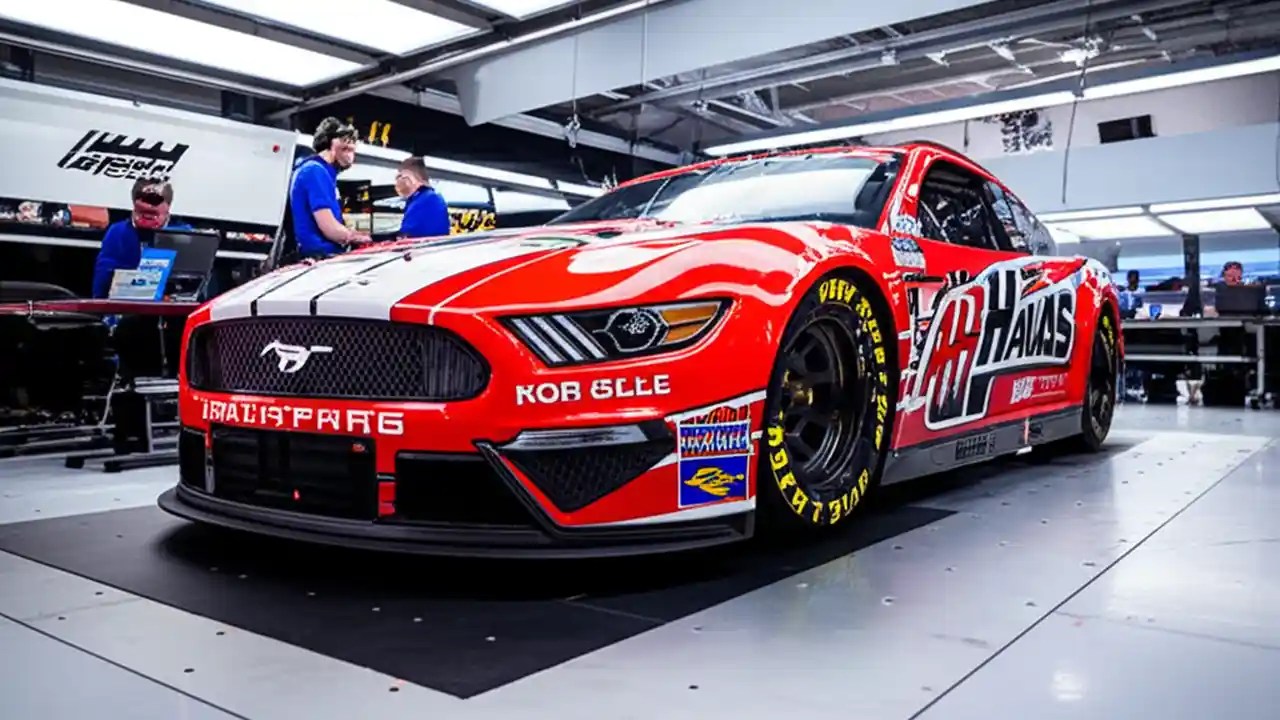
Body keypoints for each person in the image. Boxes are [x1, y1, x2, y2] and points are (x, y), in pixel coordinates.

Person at [91, 178, 193, 298]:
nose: (147, 217)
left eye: (153, 213)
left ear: (168, 209)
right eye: (142, 212)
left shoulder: (185, 236)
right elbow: (102, 283)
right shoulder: (118, 232)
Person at [289, 117, 370, 259]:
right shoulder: (315, 171)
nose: (351, 152)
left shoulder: (319, 172)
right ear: (331, 142)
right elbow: (329, 227)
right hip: (320, 257)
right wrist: (354, 236)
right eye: (346, 145)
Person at [394, 156, 450, 238]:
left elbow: (406, 237)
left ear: (408, 178)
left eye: (399, 177)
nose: (396, 182)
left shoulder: (424, 201)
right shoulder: (429, 197)